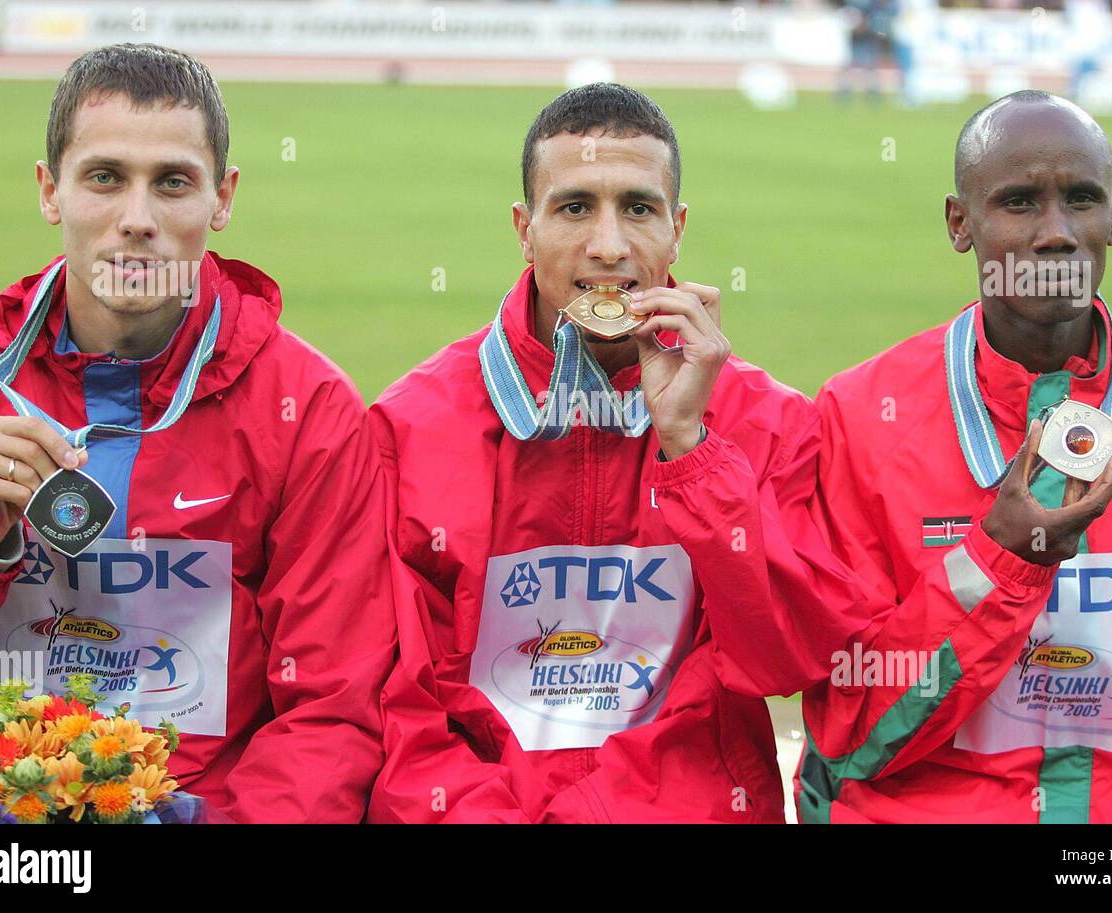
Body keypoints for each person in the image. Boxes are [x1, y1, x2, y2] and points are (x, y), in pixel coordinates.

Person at [367, 83, 873, 823]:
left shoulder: (770, 423)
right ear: (524, 228)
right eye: (574, 207)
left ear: (678, 229)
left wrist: (690, 446)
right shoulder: (408, 428)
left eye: (638, 207)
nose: (609, 245)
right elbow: (397, 706)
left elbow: (788, 659)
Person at [0, 43, 393, 822]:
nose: (138, 220)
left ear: (223, 198)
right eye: (105, 177)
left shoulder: (310, 410)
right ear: (51, 191)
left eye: (173, 183)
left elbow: (332, 708)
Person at [798, 90, 1112, 823]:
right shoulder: (857, 419)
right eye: (1019, 202)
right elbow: (852, 736)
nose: (1057, 234)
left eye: (1082, 199)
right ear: (959, 223)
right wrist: (1000, 557)